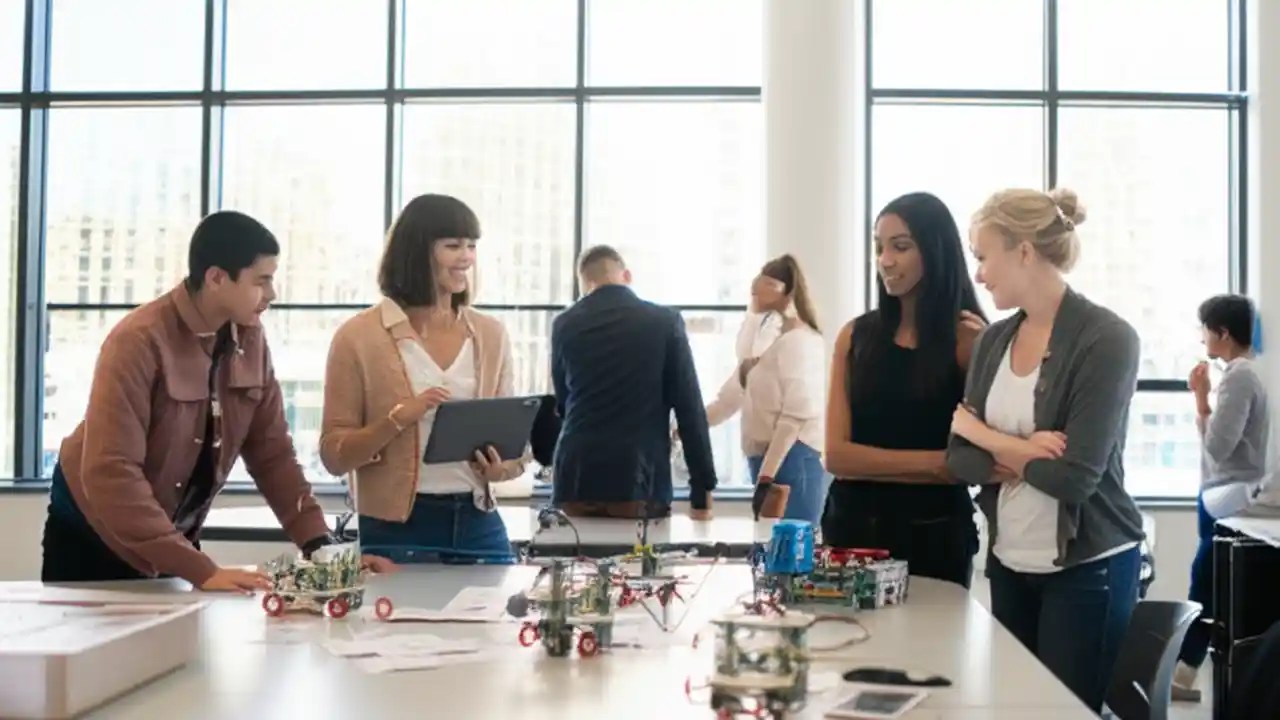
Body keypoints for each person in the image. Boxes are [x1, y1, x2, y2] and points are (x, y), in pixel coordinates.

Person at [41, 211, 391, 591]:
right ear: (216, 278)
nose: (272, 294)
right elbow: (111, 472)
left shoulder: (251, 338)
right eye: (261, 280)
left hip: (170, 533)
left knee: (181, 628)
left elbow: (273, 454)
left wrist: (322, 547)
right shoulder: (137, 341)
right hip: (94, 530)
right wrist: (200, 569)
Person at [947, 187, 1146, 712]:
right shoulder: (993, 341)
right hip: (1010, 560)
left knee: (1063, 712)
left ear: (1024, 252)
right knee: (1014, 710)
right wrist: (1026, 452)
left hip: (1088, 569)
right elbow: (957, 459)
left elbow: (1076, 478)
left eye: (984, 256)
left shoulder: (1108, 338)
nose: (979, 275)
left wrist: (989, 437)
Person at [319, 194, 527, 564]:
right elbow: (334, 456)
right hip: (394, 528)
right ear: (416, 252)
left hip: (477, 522)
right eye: (453, 246)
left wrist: (500, 468)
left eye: (471, 246)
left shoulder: (490, 334)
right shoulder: (358, 336)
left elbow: (515, 448)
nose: (467, 257)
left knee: (502, 604)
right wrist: (396, 419)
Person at [822, 192, 987, 586]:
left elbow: (975, 463)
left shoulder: (970, 341)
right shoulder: (855, 337)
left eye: (901, 246)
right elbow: (837, 457)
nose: (885, 260)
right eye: (879, 247)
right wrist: (937, 465)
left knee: (936, 628)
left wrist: (874, 465)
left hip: (936, 536)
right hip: (852, 533)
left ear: (935, 251)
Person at [550, 245, 717, 519]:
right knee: (636, 549)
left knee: (578, 548)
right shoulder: (664, 321)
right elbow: (689, 407)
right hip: (638, 477)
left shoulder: (563, 324)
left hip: (575, 477)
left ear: (585, 284)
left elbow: (563, 404)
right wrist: (702, 489)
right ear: (626, 275)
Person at [1173, 294, 1269, 702]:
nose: (1202, 338)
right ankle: (1184, 673)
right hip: (1227, 495)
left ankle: (1183, 674)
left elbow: (1218, 446)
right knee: (1210, 582)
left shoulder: (1239, 376)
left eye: (1205, 330)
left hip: (1227, 499)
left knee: (1206, 583)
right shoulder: (1245, 374)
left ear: (1223, 333)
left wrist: (1201, 398)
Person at [703, 255, 828, 523]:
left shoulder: (800, 342)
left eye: (764, 285)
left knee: (793, 542)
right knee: (770, 543)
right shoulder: (767, 345)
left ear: (784, 291)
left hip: (792, 459)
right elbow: (728, 401)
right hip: (764, 462)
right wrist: (684, 428)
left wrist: (766, 476)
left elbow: (795, 417)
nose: (755, 292)